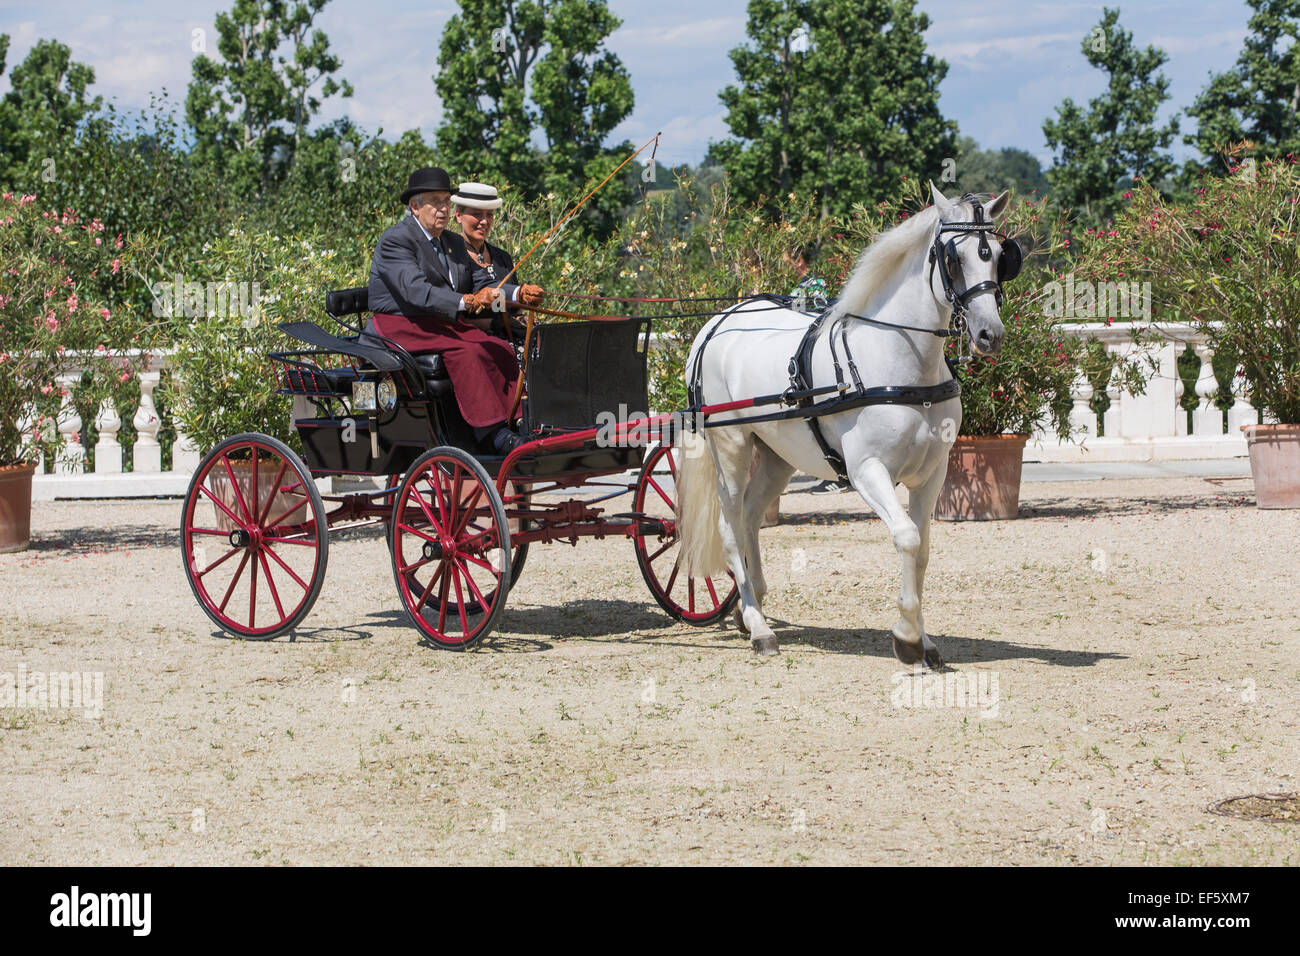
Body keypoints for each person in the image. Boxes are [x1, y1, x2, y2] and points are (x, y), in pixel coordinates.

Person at [365, 167, 543, 454]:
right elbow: (416, 291)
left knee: (496, 346)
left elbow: (483, 283)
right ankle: (491, 434)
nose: (444, 209)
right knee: (468, 351)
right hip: (398, 324)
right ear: (415, 206)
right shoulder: (396, 240)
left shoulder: (451, 242)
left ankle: (516, 419)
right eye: (436, 201)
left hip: (437, 323)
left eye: (447, 201)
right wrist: (465, 302)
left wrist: (518, 293)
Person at [451, 182, 536, 342]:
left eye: (489, 215)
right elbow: (453, 314)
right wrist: (494, 324)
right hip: (473, 341)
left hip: (511, 338)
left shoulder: (503, 258)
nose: (484, 221)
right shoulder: (452, 259)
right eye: (477, 214)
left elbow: (516, 310)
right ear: (458, 215)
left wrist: (523, 321)